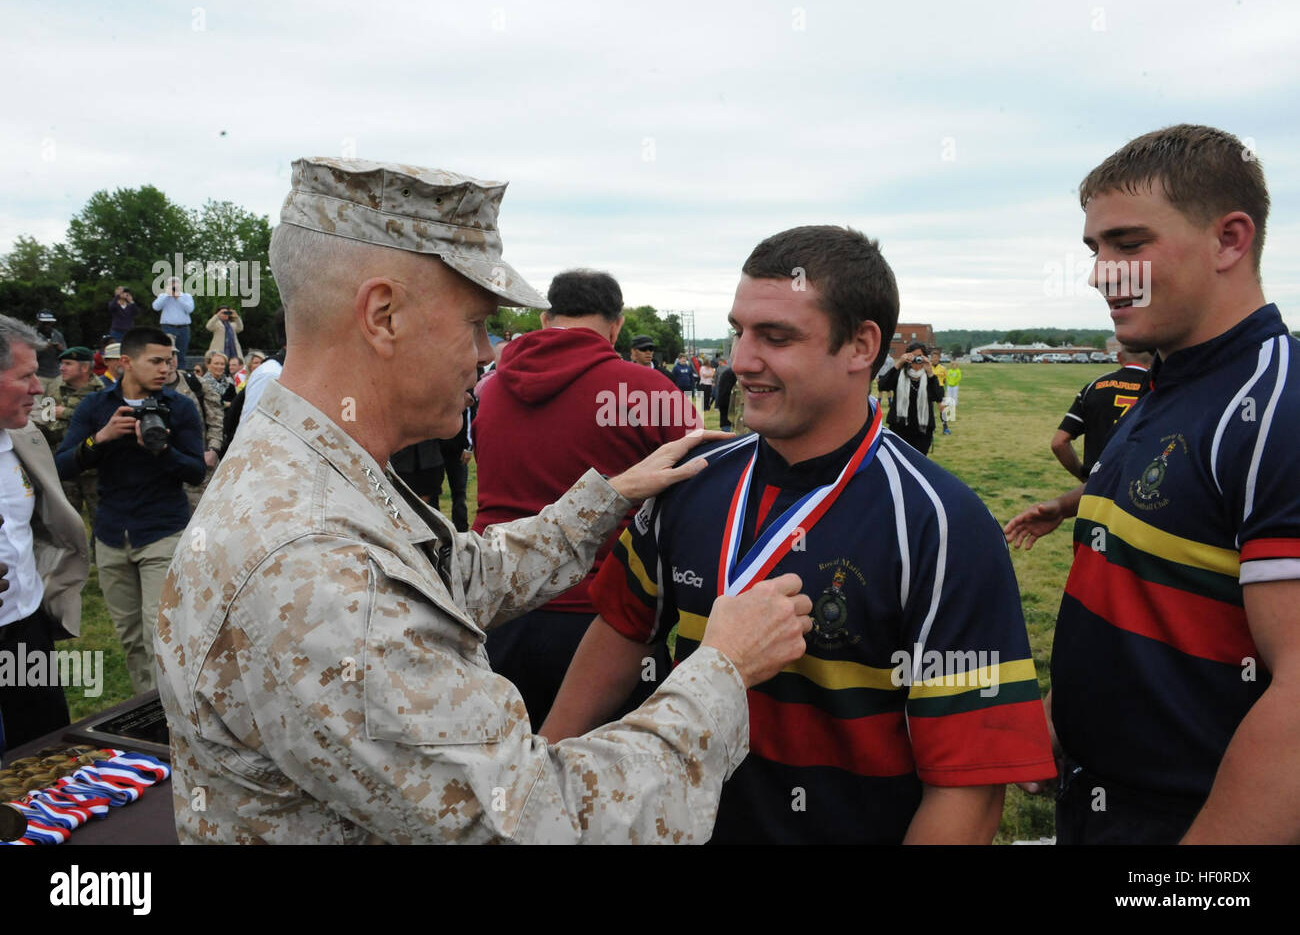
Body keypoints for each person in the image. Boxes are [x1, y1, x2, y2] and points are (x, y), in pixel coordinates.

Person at [154, 157, 814, 845]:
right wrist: (723, 669)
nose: (489, 352)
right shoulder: (311, 561)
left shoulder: (303, 468)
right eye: (476, 323)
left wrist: (605, 498)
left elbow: (444, 578)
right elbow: (533, 818)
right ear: (383, 316)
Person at [542, 225, 1056, 844]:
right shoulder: (689, 481)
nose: (740, 361)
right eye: (739, 331)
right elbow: (623, 628)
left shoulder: (941, 523)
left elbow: (969, 786)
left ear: (861, 345)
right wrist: (541, 777)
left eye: (776, 337)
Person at [1004, 124, 1300, 844]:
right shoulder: (1164, 383)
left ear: (1230, 240)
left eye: (1128, 245)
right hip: (1099, 797)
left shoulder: (1274, 407)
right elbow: (1128, 571)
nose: (1101, 274)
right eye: (1094, 250)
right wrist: (1063, 711)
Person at [474, 268, 695, 725]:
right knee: (606, 780)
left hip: (494, 606)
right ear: (615, 326)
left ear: (544, 319)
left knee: (507, 775)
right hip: (601, 621)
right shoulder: (647, 390)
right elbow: (705, 474)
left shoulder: (489, 390)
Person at [55, 326, 204, 693]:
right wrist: (100, 438)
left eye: (169, 361)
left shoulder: (180, 406)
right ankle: (146, 712)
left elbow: (197, 471)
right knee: (131, 636)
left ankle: (177, 715)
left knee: (161, 631)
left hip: (162, 530)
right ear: (126, 363)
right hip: (110, 533)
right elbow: (61, 466)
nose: (165, 369)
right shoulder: (95, 407)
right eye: (155, 361)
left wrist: (163, 451)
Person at [0, 315, 90, 751]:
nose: (39, 389)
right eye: (28, 376)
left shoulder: (24, 437)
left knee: (43, 751)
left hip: (24, 629)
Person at [1050, 347, 1153, 482]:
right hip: (1140, 485)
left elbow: (1059, 443)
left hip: (1097, 484)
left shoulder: (1094, 386)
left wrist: (1084, 478)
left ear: (1119, 357)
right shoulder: (1159, 389)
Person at [31, 347, 105, 518]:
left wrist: (66, 413)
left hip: (94, 469)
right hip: (65, 465)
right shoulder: (55, 388)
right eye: (62, 364)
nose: (61, 368)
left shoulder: (101, 392)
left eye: (68, 364)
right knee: (65, 519)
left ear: (84, 368)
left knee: (100, 519)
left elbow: (102, 423)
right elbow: (44, 419)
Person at [163, 342, 224, 512]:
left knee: (202, 523)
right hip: (164, 469)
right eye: (163, 357)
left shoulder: (195, 384)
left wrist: (213, 449)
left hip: (199, 467)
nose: (169, 361)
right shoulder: (146, 389)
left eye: (172, 355)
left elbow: (216, 418)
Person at [876, 341, 943, 455]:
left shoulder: (929, 377)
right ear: (907, 357)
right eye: (912, 356)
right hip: (899, 428)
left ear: (925, 357)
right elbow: (882, 385)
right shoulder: (899, 374)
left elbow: (938, 396)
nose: (916, 360)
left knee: (919, 465)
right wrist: (899, 364)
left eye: (919, 356)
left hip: (922, 431)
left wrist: (930, 372)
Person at [152, 277, 195, 354]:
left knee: (182, 352)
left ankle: (181, 366)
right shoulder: (163, 296)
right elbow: (156, 307)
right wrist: (167, 295)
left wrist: (178, 297)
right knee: (167, 352)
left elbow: (190, 309)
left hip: (183, 328)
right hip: (168, 328)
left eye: (176, 285)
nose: (174, 287)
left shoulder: (187, 296)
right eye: (172, 285)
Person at [33, 311, 66, 379]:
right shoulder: (31, 334)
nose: (47, 325)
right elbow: (28, 356)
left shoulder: (57, 335)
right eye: (44, 323)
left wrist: (60, 349)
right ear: (38, 322)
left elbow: (66, 355)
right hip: (38, 374)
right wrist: (42, 348)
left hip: (56, 374)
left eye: (49, 323)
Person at [930, 350, 951, 435]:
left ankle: (945, 428)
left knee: (942, 409)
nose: (935, 359)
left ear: (939, 358)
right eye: (933, 357)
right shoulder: (928, 367)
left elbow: (945, 380)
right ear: (931, 358)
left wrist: (940, 385)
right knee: (929, 409)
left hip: (939, 389)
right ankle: (931, 427)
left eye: (936, 357)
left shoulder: (943, 368)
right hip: (930, 389)